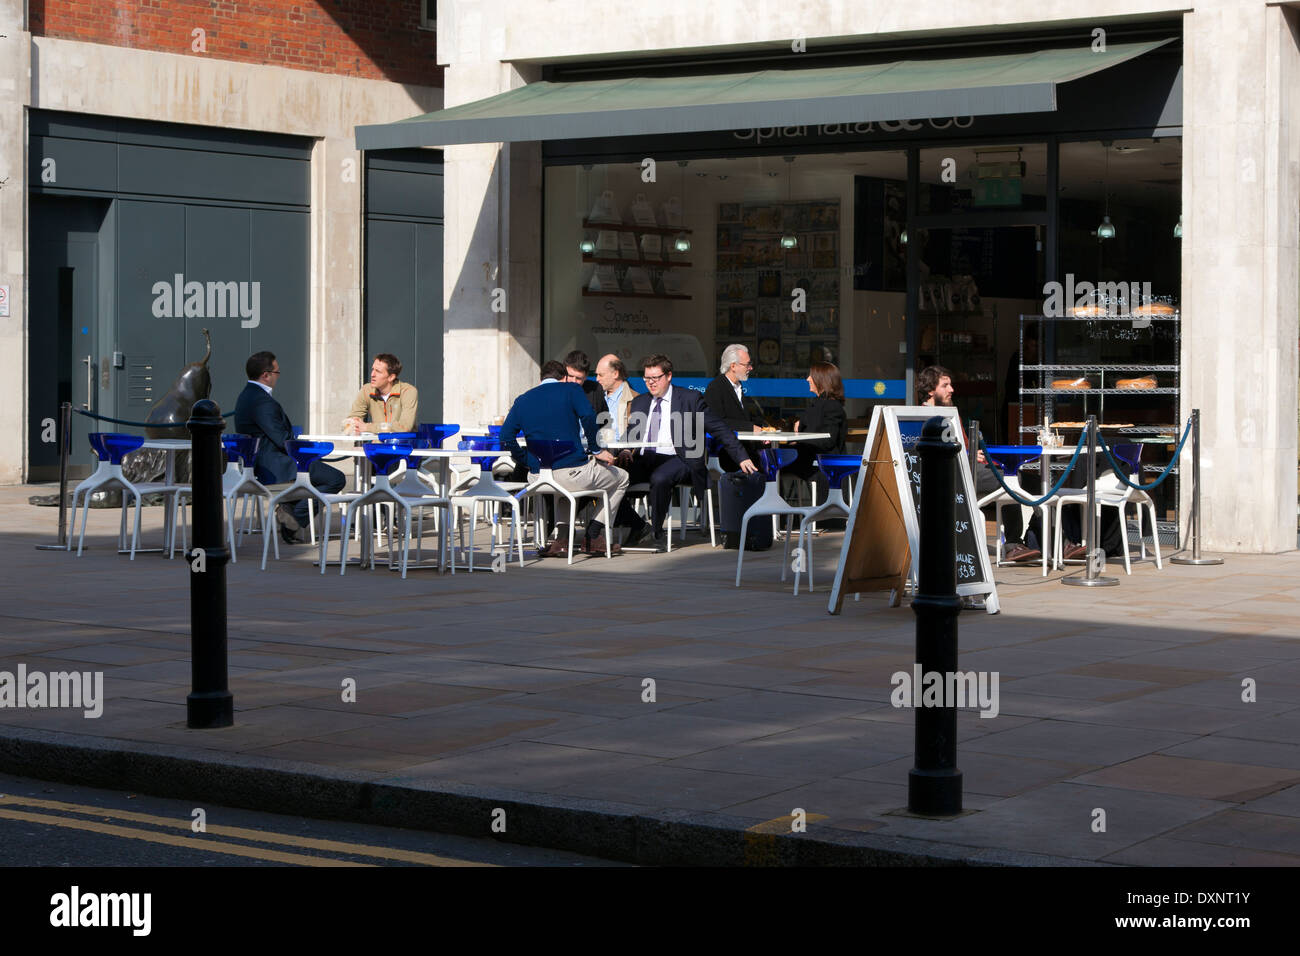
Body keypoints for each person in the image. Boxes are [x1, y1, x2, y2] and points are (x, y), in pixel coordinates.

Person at [616, 353, 756, 551]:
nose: (651, 383)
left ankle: (656, 532)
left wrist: (741, 457)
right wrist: (624, 450)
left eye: (655, 378)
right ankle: (638, 526)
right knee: (610, 477)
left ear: (669, 376)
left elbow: (719, 428)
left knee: (660, 478)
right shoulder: (640, 402)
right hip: (646, 457)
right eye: (647, 378)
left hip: (680, 457)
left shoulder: (690, 399)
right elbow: (632, 433)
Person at [500, 359, 628, 558]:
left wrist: (526, 461)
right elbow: (588, 416)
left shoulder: (523, 399)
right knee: (622, 478)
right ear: (564, 378)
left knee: (563, 491)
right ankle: (593, 535)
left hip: (537, 478)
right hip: (572, 474)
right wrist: (596, 449)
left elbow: (506, 437)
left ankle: (561, 540)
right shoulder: (571, 390)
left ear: (541, 378)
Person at [918, 365, 1040, 563]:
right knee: (1011, 479)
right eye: (945, 385)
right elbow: (936, 455)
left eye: (951, 385)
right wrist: (970, 455)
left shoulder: (950, 412)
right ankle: (1013, 544)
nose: (952, 389)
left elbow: (964, 447)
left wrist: (973, 453)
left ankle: (1042, 541)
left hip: (970, 469)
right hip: (954, 477)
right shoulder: (923, 417)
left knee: (1033, 482)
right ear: (930, 390)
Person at [234, 351, 346, 545]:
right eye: (277, 372)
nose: (278, 376)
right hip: (277, 466)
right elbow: (282, 439)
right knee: (336, 478)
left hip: (263, 463)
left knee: (321, 476)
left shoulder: (246, 395)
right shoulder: (262, 401)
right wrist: (311, 451)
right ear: (266, 375)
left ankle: (291, 507)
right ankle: (295, 517)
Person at [787, 362, 847, 506]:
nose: (808, 379)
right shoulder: (818, 404)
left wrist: (800, 438)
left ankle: (777, 515)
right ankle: (779, 514)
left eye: (811, 376)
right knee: (770, 461)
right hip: (809, 458)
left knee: (771, 464)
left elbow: (828, 440)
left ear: (822, 380)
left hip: (820, 462)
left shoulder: (831, 406)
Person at [702, 343, 763, 472]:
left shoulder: (739, 388)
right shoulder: (716, 388)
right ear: (733, 366)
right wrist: (751, 428)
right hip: (727, 452)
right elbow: (717, 422)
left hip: (745, 448)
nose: (750, 368)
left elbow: (745, 418)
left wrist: (762, 430)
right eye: (746, 364)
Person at [344, 353, 418, 436]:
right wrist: (352, 425)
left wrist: (367, 427)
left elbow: (404, 427)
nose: (372, 374)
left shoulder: (408, 391)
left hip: (403, 446)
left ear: (391, 377)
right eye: (373, 369)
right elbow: (349, 422)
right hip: (376, 446)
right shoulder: (366, 390)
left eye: (378, 371)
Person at [595, 353, 635, 442]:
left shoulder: (635, 400)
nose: (597, 379)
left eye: (601, 375)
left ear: (615, 374)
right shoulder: (594, 396)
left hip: (619, 453)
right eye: (596, 374)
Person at [563, 350, 605, 414]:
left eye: (578, 378)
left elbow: (604, 417)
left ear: (586, 376)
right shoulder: (556, 391)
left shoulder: (595, 389)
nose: (574, 381)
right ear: (564, 374)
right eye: (570, 376)